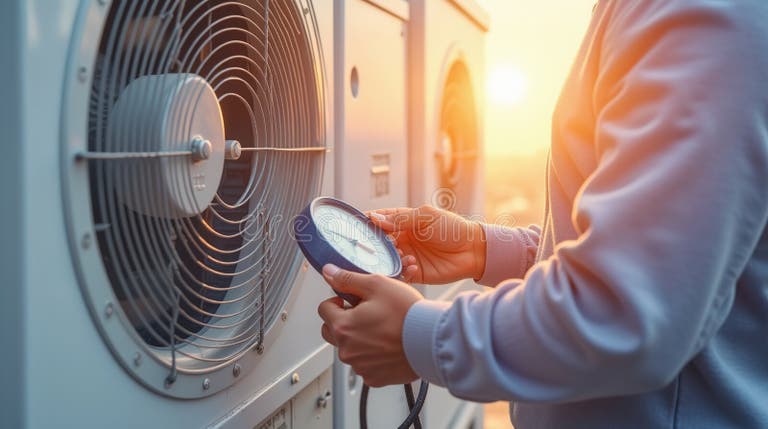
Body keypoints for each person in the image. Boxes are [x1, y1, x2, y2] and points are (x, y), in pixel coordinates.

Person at [317, 1, 768, 427]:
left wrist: (418, 338)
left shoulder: (698, 16)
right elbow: (659, 259)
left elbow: (624, 313)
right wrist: (485, 249)